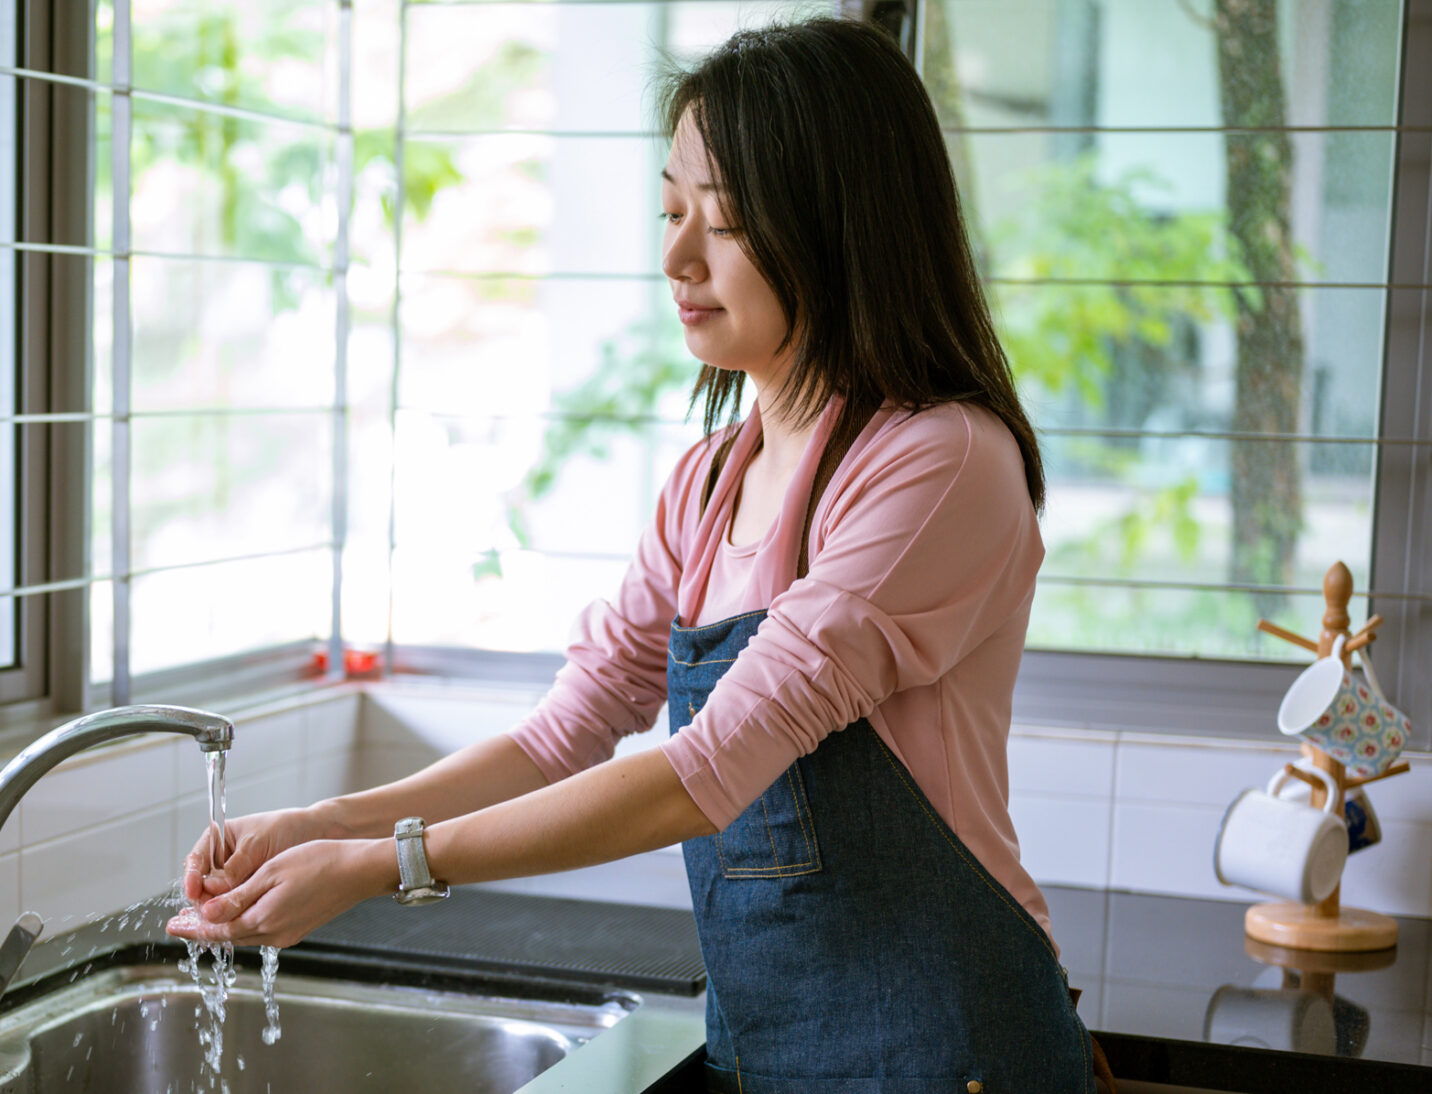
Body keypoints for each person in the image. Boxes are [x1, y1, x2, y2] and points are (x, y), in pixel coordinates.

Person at [170, 17, 1110, 1091]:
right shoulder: (706, 484)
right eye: (671, 212)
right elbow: (562, 735)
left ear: (838, 227)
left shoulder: (939, 462)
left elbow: (701, 775)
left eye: (725, 220)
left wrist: (382, 866)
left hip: (950, 1057)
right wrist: (316, 824)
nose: (675, 258)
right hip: (771, 1058)